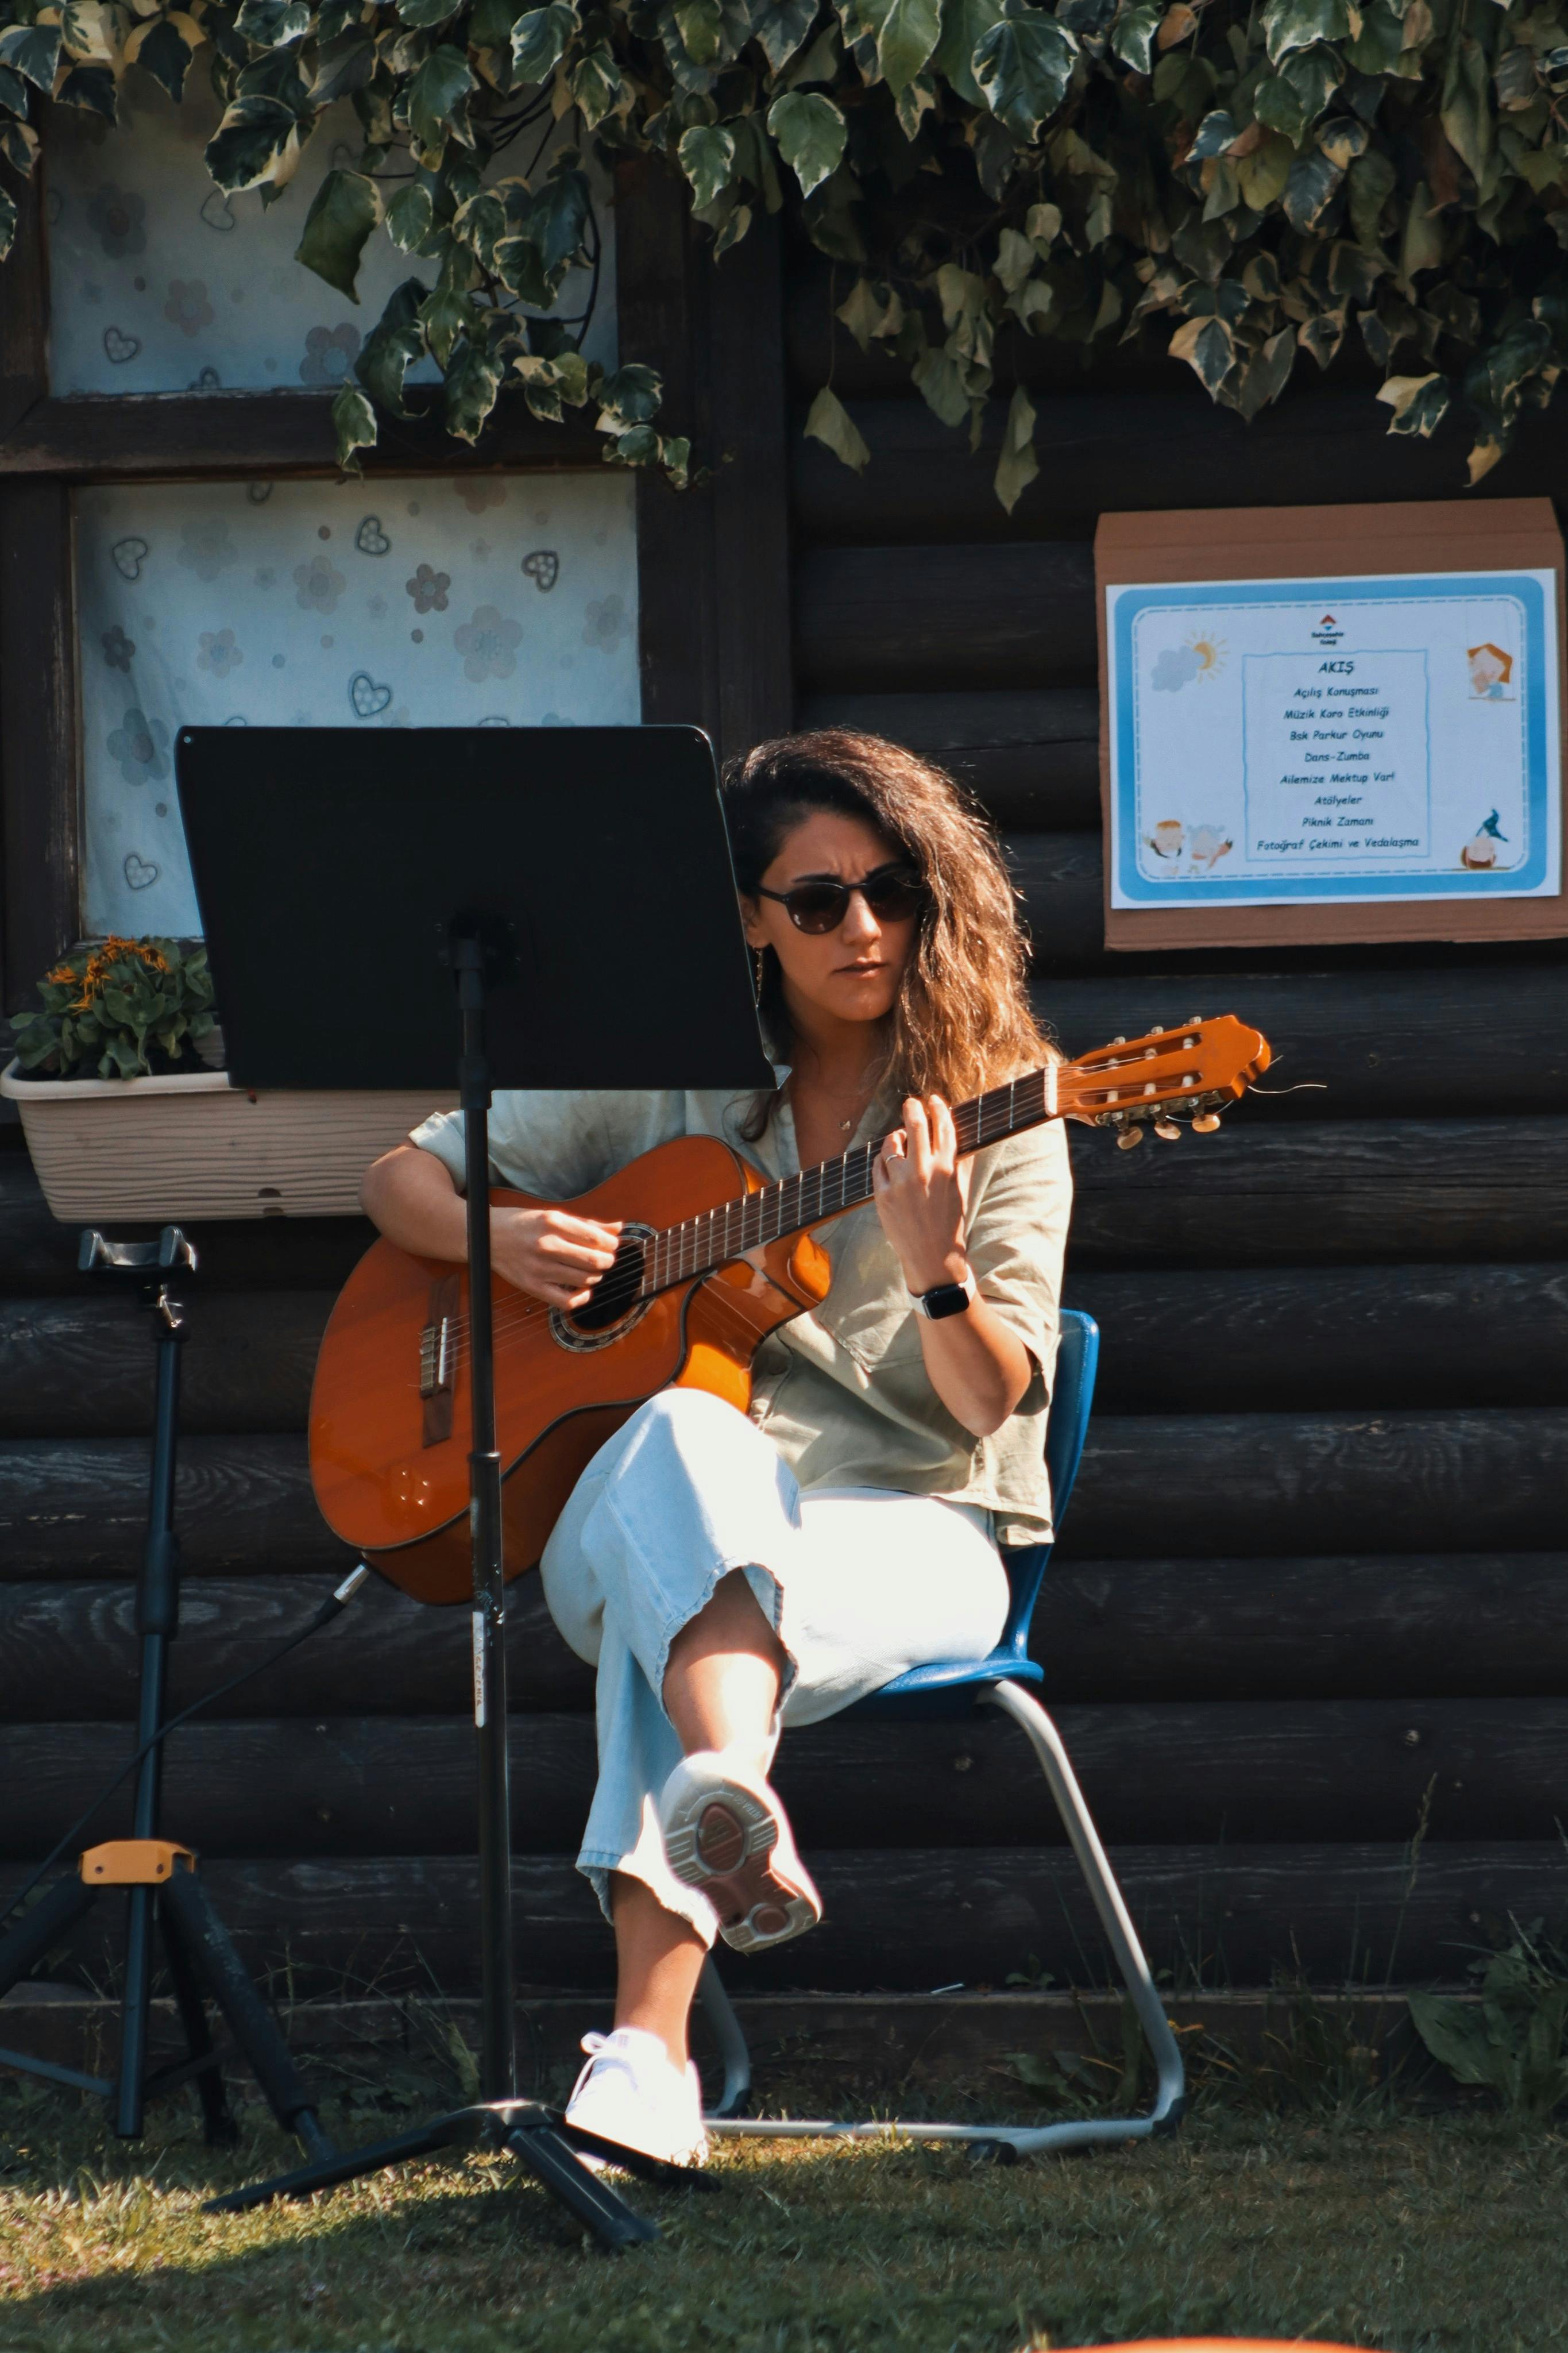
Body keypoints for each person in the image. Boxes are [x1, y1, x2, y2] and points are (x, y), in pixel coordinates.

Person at [360, 730, 1072, 2167]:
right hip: (665, 1496)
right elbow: (398, 1177)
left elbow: (993, 1405)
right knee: (687, 1436)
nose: (863, 928)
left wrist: (940, 1271)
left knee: (671, 1598)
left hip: (917, 1527)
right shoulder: (671, 1079)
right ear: (751, 915)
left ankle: (648, 2046)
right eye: (818, 902)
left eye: (893, 891)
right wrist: (504, 1235)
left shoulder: (1003, 1103)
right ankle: (729, 1795)